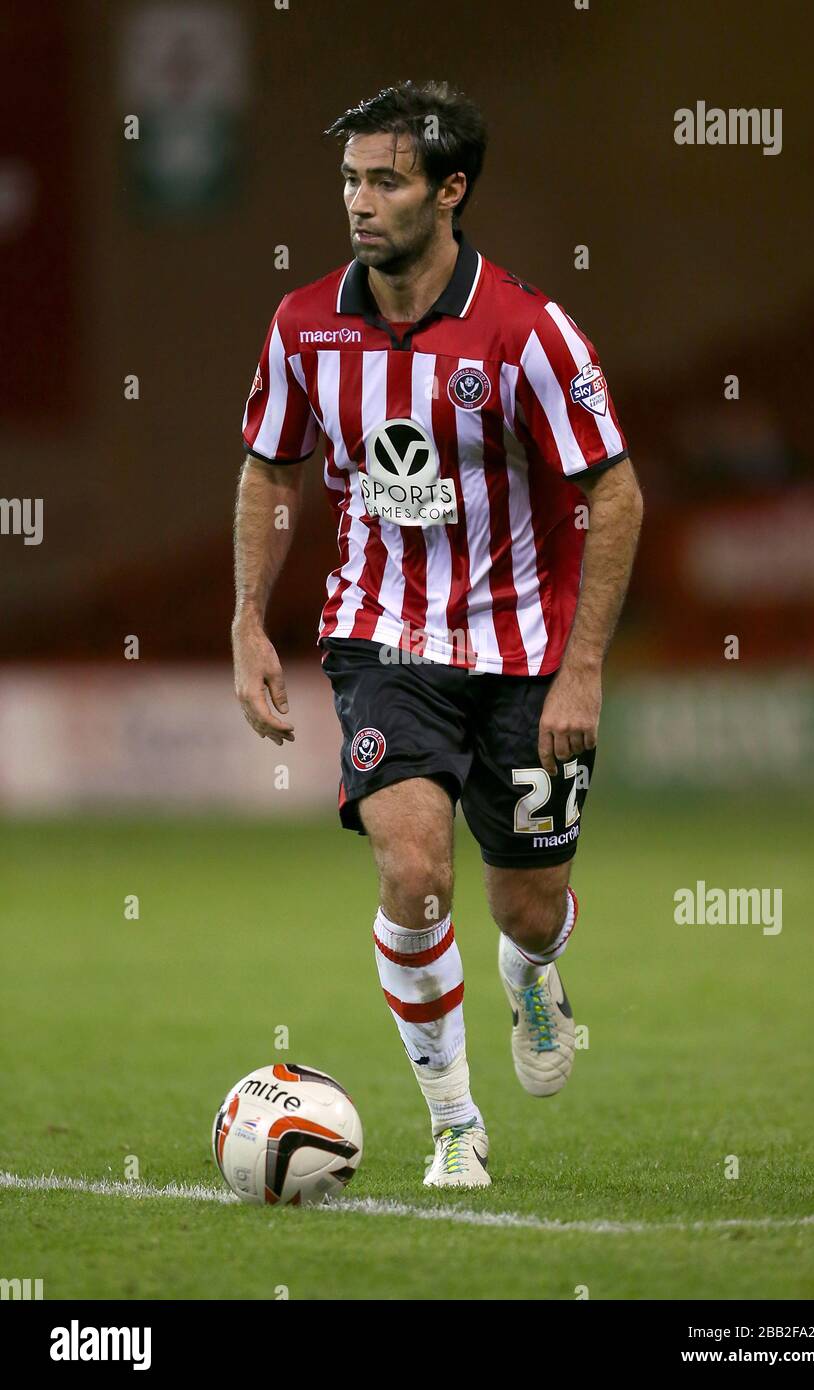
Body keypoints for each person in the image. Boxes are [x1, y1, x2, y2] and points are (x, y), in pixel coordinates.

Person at [232, 80, 643, 1188]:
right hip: (381, 642)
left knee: (529, 900)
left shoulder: (527, 333)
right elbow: (269, 468)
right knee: (412, 874)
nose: (359, 202)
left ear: (448, 190)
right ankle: (454, 1124)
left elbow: (616, 495)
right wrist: (247, 620)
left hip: (520, 657)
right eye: (350, 180)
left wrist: (581, 669)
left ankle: (532, 971)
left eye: (385, 179)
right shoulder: (304, 325)